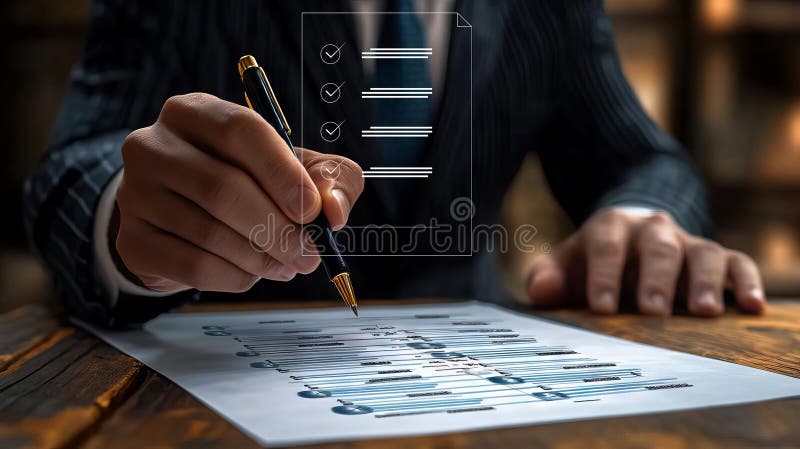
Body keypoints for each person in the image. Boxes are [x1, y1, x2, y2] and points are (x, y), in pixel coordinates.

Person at [24, 0, 765, 328]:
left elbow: (640, 158)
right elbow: (69, 171)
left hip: (478, 396)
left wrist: (640, 220)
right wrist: (127, 215)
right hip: (212, 396)